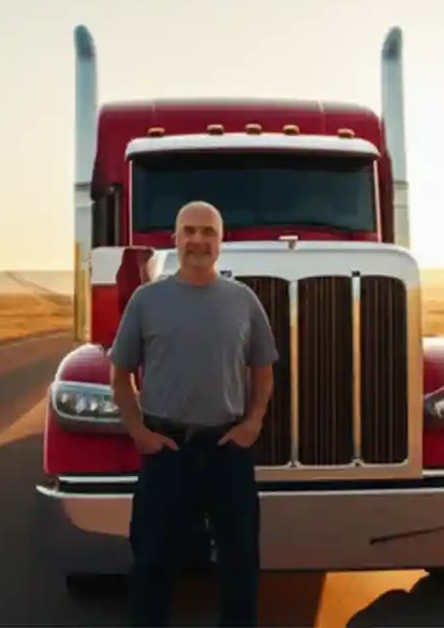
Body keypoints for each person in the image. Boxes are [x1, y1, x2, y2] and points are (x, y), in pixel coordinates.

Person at [108, 200, 279, 627]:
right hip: (166, 452)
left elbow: (263, 369)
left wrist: (253, 422)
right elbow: (120, 373)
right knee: (151, 563)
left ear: (221, 242)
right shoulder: (147, 301)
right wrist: (138, 432)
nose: (198, 240)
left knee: (240, 562)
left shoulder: (243, 301)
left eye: (208, 232)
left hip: (227, 451)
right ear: (175, 239)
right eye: (190, 231)